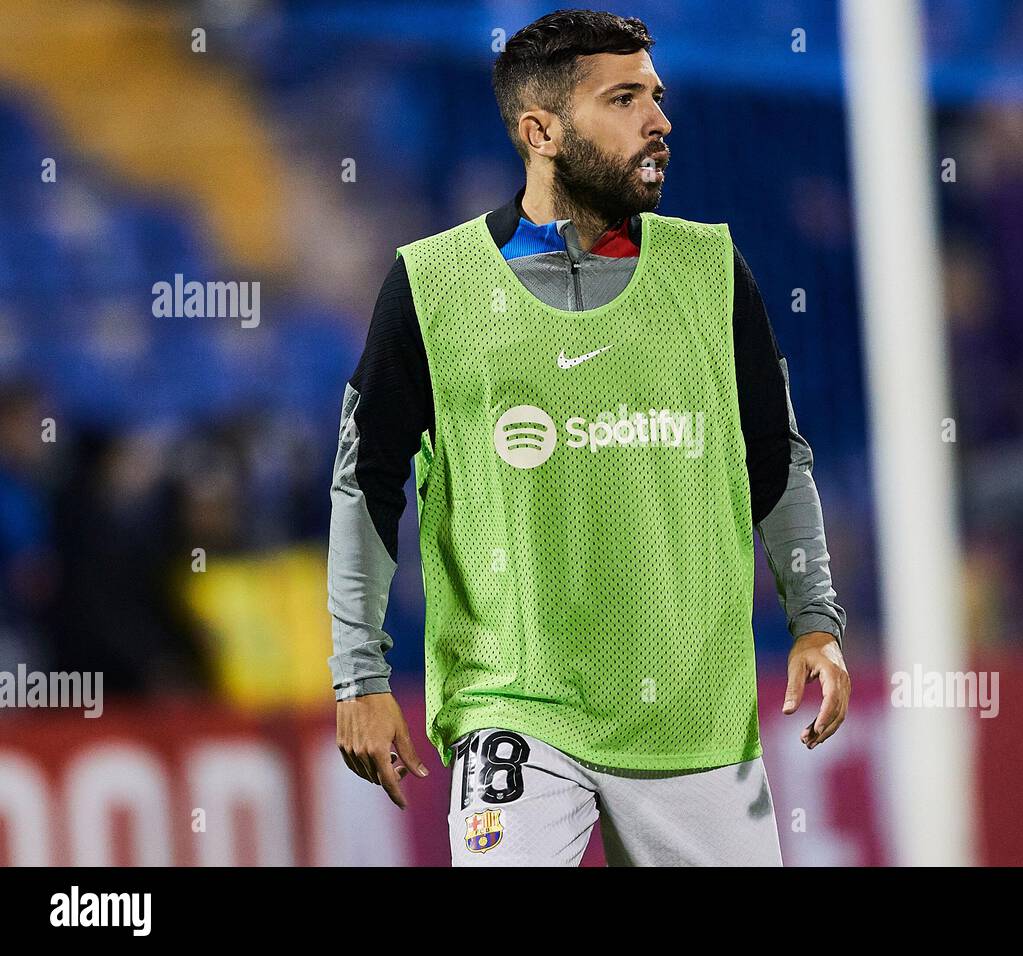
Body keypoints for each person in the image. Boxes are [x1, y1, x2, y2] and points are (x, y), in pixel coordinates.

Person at [327, 9, 848, 866]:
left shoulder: (713, 272)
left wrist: (815, 621)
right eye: (624, 99)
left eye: (657, 95)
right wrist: (361, 675)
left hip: (695, 718)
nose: (659, 120)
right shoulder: (432, 286)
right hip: (516, 709)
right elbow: (366, 485)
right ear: (541, 132)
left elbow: (778, 463)